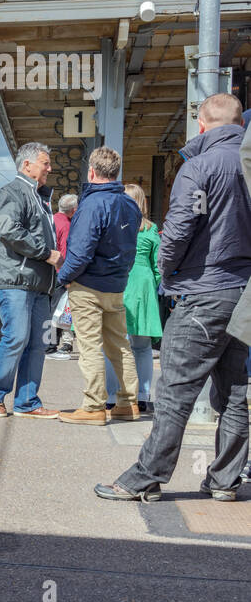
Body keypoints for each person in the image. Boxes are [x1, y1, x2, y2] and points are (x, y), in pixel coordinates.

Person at [98, 93, 251, 502]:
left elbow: (179, 229)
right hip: (245, 292)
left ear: (201, 124)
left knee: (175, 392)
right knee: (235, 391)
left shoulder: (198, 167)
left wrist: (168, 272)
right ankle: (225, 480)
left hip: (203, 293)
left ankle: (145, 477)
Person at [55, 147, 141, 425]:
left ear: (91, 171)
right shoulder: (130, 205)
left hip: (88, 287)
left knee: (90, 346)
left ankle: (93, 407)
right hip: (116, 287)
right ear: (116, 173)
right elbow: (130, 249)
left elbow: (80, 252)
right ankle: (128, 404)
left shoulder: (91, 205)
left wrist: (64, 277)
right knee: (120, 346)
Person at [0, 141, 61, 418]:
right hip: (14, 278)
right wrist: (46, 253)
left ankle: (27, 402)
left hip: (38, 282)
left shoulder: (39, 196)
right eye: (45, 163)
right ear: (27, 165)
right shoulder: (13, 192)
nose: (50, 169)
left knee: (38, 343)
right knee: (16, 337)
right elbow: (8, 229)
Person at [102, 184, 162, 414]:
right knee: (142, 347)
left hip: (118, 285)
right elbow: (158, 266)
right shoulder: (150, 229)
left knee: (113, 345)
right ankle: (143, 395)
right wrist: (150, 283)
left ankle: (111, 395)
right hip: (143, 287)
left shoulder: (112, 226)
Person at [47, 194, 78, 358]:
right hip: (60, 272)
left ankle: (48, 342)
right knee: (63, 308)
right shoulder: (66, 225)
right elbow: (65, 253)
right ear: (73, 210)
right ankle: (61, 343)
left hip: (46, 271)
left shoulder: (50, 220)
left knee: (49, 308)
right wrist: (68, 276)